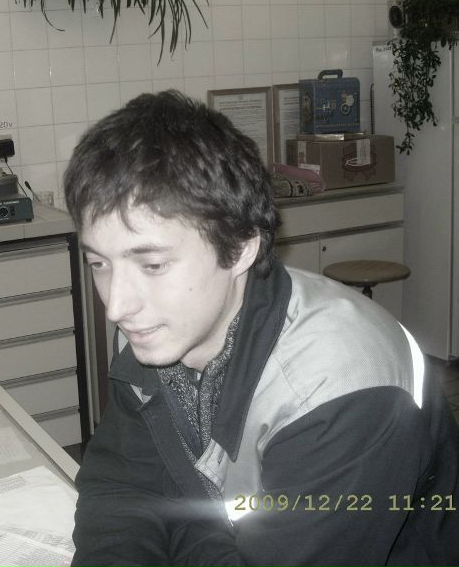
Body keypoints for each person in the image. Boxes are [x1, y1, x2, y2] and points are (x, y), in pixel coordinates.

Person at [63, 90, 459, 567]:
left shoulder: (340, 388)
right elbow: (123, 486)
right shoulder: (152, 329)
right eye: (99, 263)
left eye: (153, 265)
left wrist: (182, 515)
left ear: (240, 248)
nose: (117, 306)